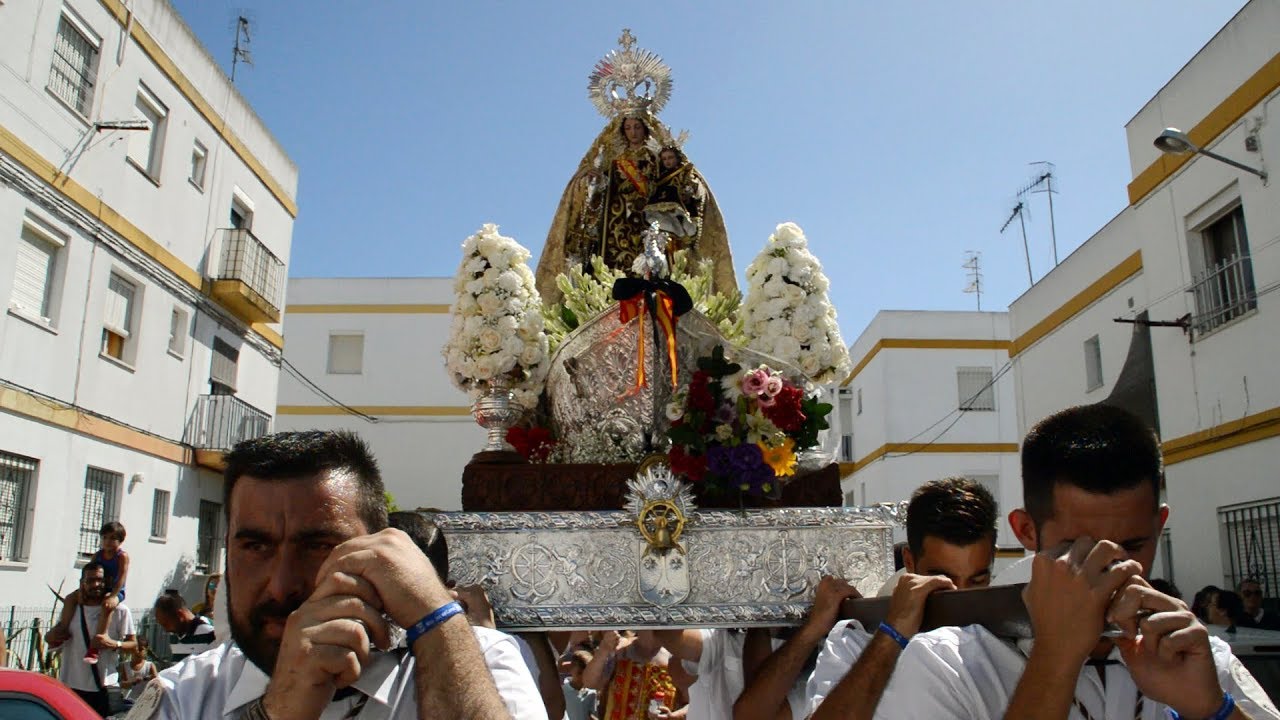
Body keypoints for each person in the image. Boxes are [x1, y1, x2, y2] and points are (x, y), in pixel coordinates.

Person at [874, 404, 1280, 719]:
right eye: (1080, 549)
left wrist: (1212, 710)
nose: (1113, 569)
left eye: (1134, 545)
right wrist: (1056, 656)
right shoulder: (948, 664)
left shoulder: (1200, 656)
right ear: (1027, 531)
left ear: (1160, 526)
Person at [128, 430, 542, 719]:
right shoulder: (184, 696)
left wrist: (435, 616)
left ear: (381, 551)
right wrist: (280, 711)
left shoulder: (480, 662)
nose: (281, 584)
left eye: (318, 547)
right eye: (255, 547)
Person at [797, 477, 998, 720]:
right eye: (944, 583)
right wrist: (891, 636)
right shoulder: (856, 642)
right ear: (910, 562)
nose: (961, 598)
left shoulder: (1009, 639)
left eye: (977, 582)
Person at [45, 561, 137, 716]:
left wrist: (114, 643)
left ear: (106, 581)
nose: (96, 584)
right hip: (72, 685)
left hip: (104, 686)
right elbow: (56, 638)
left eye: (100, 580)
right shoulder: (71, 608)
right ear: (82, 583)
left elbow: (134, 645)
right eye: (90, 580)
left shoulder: (120, 610)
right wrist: (50, 637)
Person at [53, 521, 130, 664]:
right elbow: (87, 574)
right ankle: (62, 631)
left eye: (112, 538)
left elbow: (121, 579)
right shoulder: (98, 555)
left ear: (120, 541)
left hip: (114, 590)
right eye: (105, 538)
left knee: (107, 604)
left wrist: (113, 595)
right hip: (96, 588)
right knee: (70, 598)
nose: (107, 542)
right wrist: (82, 592)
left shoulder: (122, 556)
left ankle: (97, 642)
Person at [584, 629, 683, 720]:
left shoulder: (677, 656)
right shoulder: (621, 650)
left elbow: (692, 700)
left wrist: (675, 715)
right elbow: (591, 683)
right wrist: (603, 649)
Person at [152, 590, 216, 663]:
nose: (166, 630)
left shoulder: (210, 634)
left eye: (166, 624)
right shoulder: (180, 636)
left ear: (180, 615)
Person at [119, 638, 157, 704]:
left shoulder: (149, 665)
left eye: (140, 649)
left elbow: (156, 677)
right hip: (129, 700)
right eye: (134, 649)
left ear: (146, 650)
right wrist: (132, 682)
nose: (137, 652)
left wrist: (144, 678)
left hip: (145, 701)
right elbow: (122, 684)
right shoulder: (125, 665)